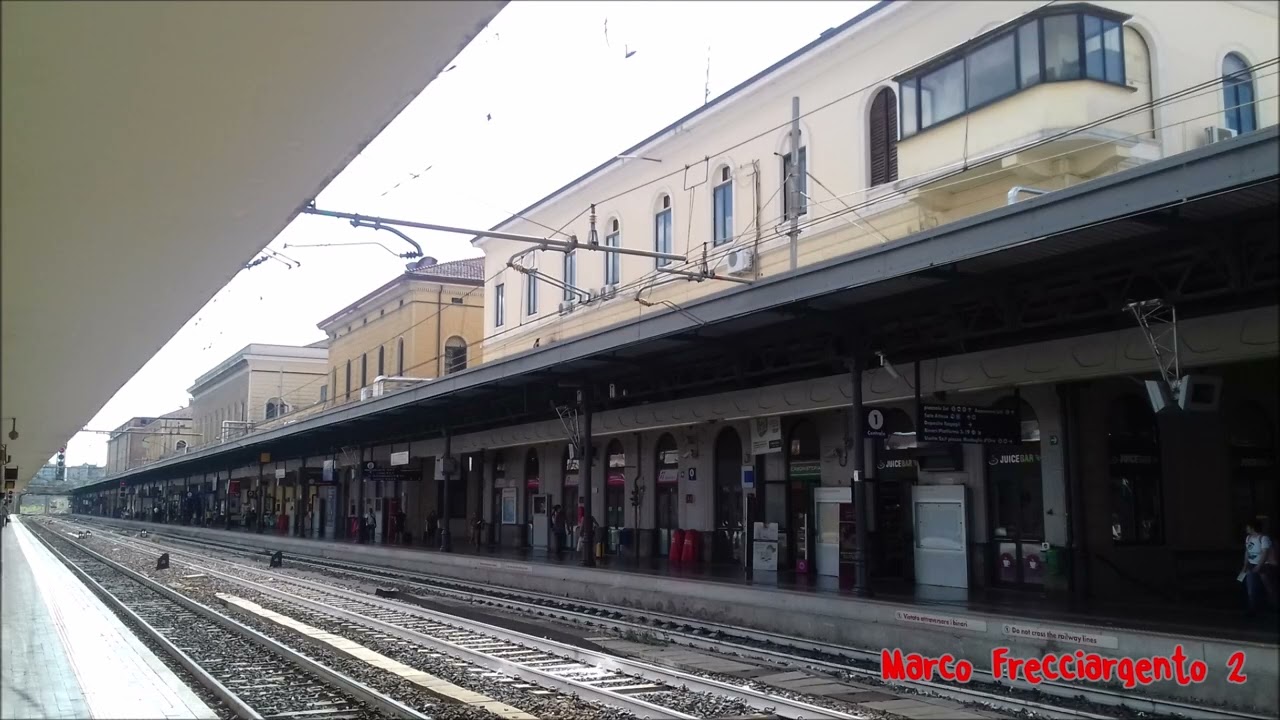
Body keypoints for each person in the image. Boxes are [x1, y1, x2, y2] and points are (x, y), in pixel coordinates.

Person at [1241, 517, 1278, 614]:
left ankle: (1273, 605)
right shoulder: (1248, 538)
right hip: (1251, 565)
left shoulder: (1264, 538)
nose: (1246, 528)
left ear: (1253, 527)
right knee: (1251, 587)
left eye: (1248, 527)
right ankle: (1252, 608)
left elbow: (1265, 553)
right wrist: (1245, 565)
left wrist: (1259, 566)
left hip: (1264, 566)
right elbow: (1247, 552)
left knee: (1269, 587)